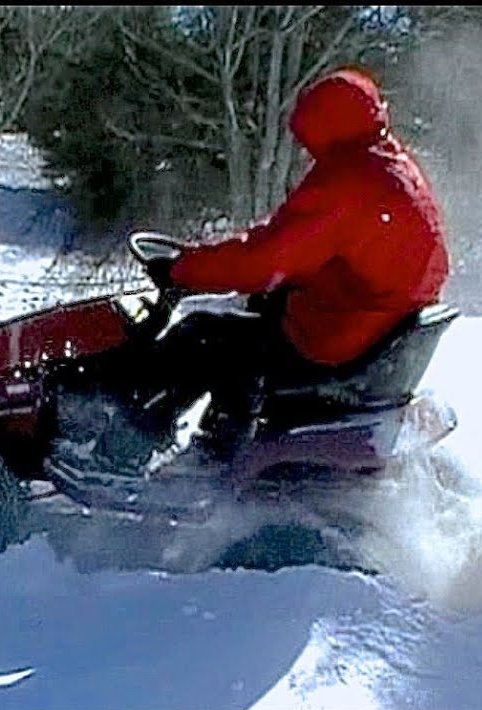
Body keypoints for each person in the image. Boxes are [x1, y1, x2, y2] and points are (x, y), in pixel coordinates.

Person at [58, 65, 450, 484]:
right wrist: (209, 259)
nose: (304, 145)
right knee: (245, 333)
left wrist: (184, 269)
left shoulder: (349, 180)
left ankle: (117, 455)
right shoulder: (388, 165)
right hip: (362, 328)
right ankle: (219, 444)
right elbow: (290, 237)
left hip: (336, 340)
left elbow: (265, 260)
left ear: (328, 125)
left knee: (199, 338)